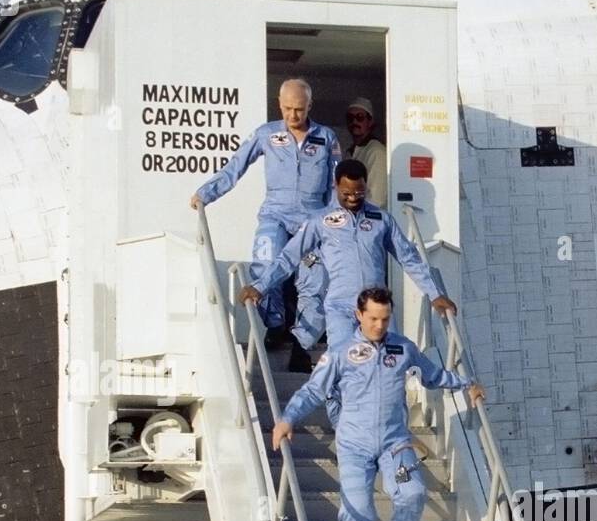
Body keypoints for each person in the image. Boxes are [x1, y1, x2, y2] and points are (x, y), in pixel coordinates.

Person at [270, 287, 482, 521]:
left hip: (394, 444)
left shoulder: (402, 348)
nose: (379, 326)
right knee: (357, 514)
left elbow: (433, 376)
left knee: (412, 492)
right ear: (359, 315)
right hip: (354, 446)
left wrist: (467, 384)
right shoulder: (342, 352)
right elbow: (313, 391)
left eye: (385, 319)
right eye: (373, 318)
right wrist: (288, 418)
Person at [240, 159, 455, 380]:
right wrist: (260, 285)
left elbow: (409, 258)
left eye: (359, 192)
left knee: (390, 371)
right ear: (335, 186)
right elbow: (288, 257)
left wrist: (435, 294)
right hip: (340, 309)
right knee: (342, 368)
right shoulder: (320, 220)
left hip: (377, 309)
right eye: (346, 193)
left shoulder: (382, 220)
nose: (353, 198)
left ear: (366, 186)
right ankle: (342, 413)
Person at [190, 78, 340, 370]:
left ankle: (301, 346)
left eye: (299, 109)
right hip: (276, 215)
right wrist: (205, 194)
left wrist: (331, 224)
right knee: (265, 264)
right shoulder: (267, 134)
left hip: (312, 221)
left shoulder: (327, 137)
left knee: (315, 283)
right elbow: (235, 167)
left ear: (310, 105)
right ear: (279, 104)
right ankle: (276, 323)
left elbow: (335, 186)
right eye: (287, 109)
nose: (293, 116)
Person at [346, 97, 387, 206]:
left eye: (360, 117)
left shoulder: (377, 152)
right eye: (350, 118)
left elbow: (376, 199)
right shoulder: (350, 152)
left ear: (370, 122)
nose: (354, 121)